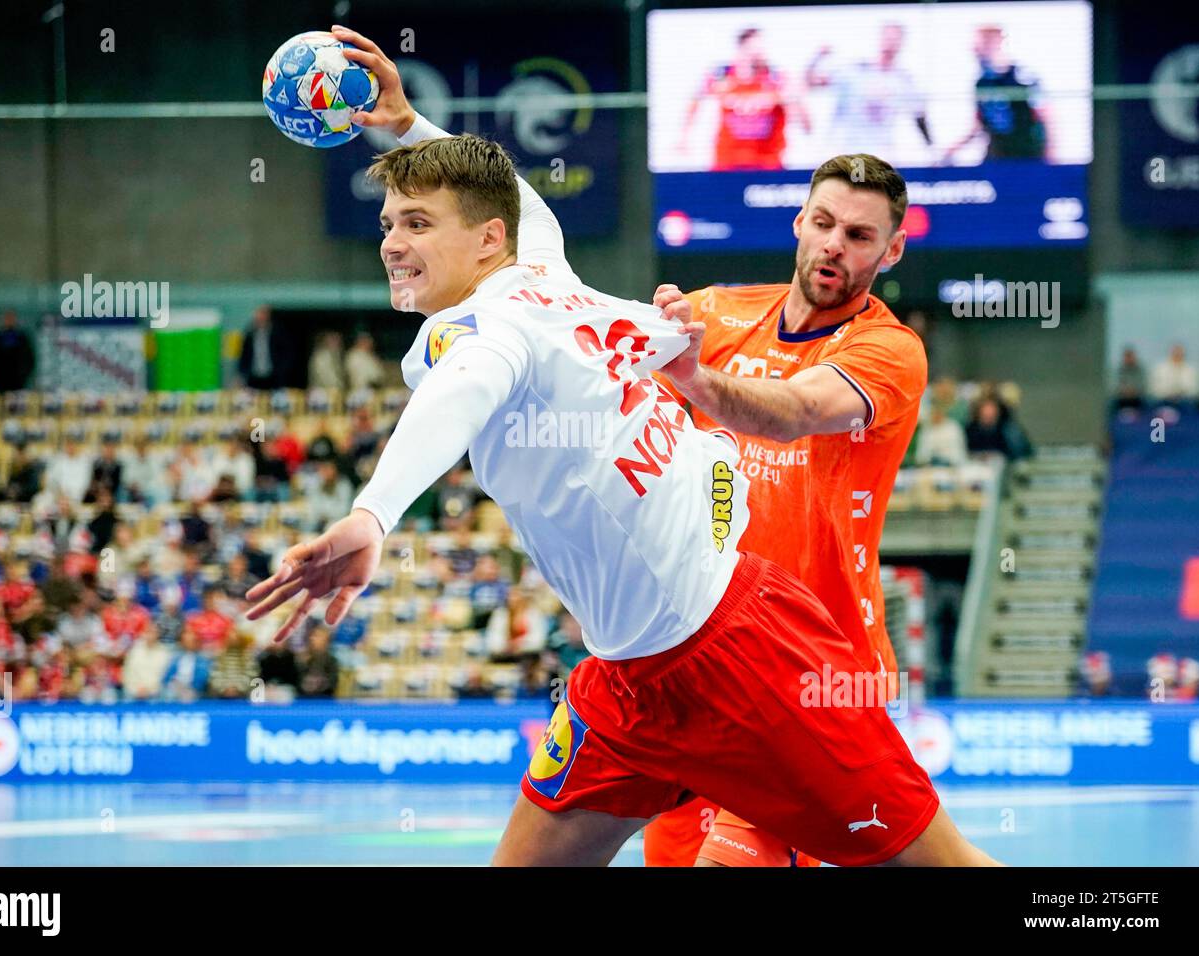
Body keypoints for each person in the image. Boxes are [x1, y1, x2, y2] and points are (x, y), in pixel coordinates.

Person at [245, 27, 995, 869]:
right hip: (627, 674)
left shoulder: (485, 333)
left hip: (752, 657)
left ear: (486, 241)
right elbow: (509, 199)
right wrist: (409, 126)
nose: (391, 241)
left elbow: (461, 389)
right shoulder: (544, 265)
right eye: (390, 221)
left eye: (416, 223)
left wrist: (372, 515)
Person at [644, 152, 928, 866]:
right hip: (697, 663)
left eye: (860, 236)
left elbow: (799, 410)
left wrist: (695, 378)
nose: (836, 243)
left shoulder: (888, 350)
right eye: (825, 223)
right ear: (800, 222)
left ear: (891, 250)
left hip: (812, 672)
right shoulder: (719, 312)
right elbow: (575, 315)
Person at [676, 26, 809, 172]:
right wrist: (684, 137)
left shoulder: (776, 78)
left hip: (767, 165)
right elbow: (696, 98)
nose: (758, 54)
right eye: (753, 49)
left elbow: (804, 123)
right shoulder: (721, 75)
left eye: (761, 49)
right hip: (727, 163)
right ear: (741, 49)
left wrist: (793, 99)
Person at [805, 22, 932, 165]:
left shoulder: (903, 81)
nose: (890, 43)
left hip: (878, 159)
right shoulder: (854, 71)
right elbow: (811, 82)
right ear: (880, 38)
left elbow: (920, 116)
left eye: (895, 39)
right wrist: (817, 57)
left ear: (901, 43)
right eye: (888, 37)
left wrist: (933, 152)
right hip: (843, 155)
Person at [944, 24, 1049, 163]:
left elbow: (1046, 116)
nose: (975, 51)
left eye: (980, 45)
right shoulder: (981, 83)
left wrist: (1050, 154)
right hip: (997, 155)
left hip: (1027, 155)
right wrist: (950, 150)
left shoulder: (1023, 77)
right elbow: (978, 123)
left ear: (995, 42)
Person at [238, 305, 290, 390]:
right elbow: (244, 355)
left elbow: (286, 352)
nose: (260, 317)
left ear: (267, 316)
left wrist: (281, 370)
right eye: (258, 315)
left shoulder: (277, 332)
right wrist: (242, 373)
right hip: (254, 377)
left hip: (273, 377)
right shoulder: (250, 333)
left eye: (262, 314)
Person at [0, 310, 35, 392]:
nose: (9, 321)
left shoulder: (22, 338)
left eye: (11, 318)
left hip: (19, 381)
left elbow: (29, 359)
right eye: (7, 318)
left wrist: (23, 376)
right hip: (1, 382)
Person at [1150, 343, 1197, 408]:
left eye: (1179, 353)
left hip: (1184, 400)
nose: (1177, 355)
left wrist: (1179, 394)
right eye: (1175, 353)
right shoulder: (1161, 368)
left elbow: (1192, 389)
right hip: (1164, 400)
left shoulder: (1189, 369)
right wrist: (1169, 394)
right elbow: (1156, 388)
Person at [1113, 346, 1146, 414]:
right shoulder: (1119, 370)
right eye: (1127, 357)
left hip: (1137, 397)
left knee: (1147, 402)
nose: (1129, 359)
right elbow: (1115, 385)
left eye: (1130, 356)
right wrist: (1125, 391)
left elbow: (1143, 384)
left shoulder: (1140, 370)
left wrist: (1134, 391)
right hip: (1122, 398)